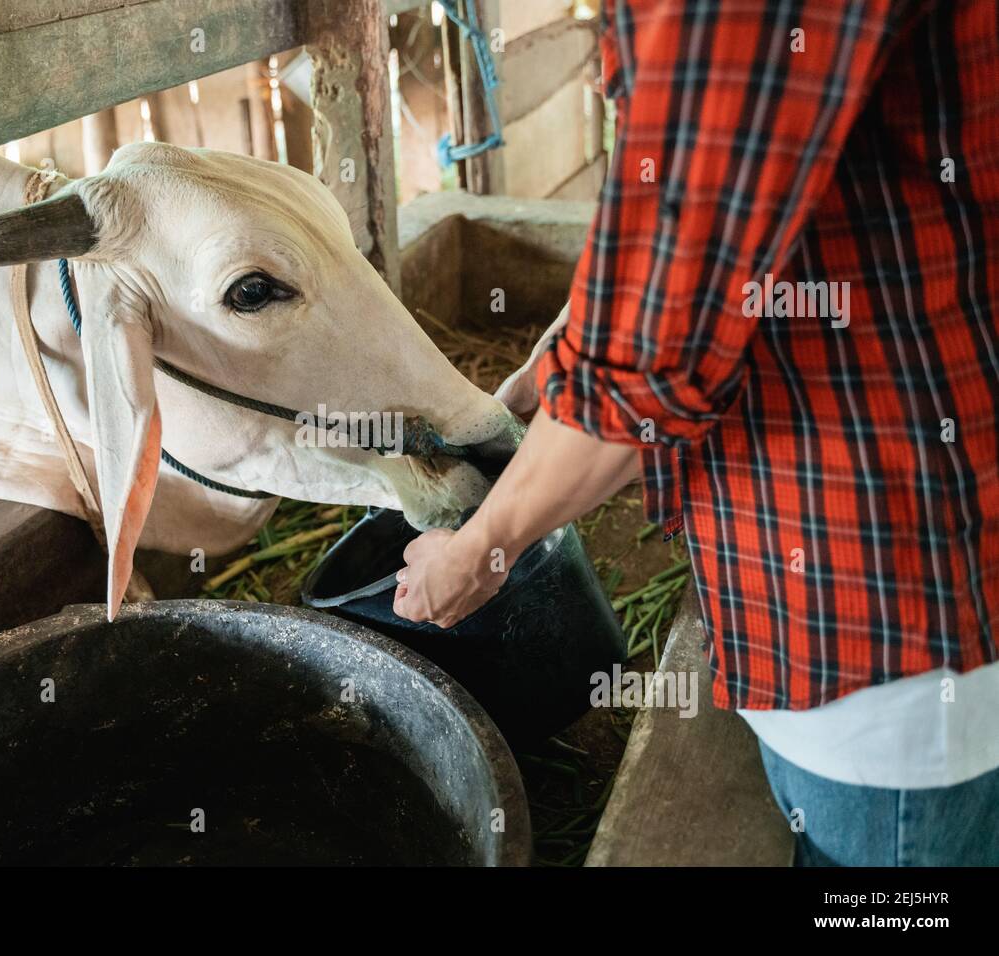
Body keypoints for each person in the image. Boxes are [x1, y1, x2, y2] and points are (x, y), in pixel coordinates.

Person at [394, 0, 999, 866]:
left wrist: (481, 550)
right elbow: (711, 206)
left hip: (885, 620)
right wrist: (575, 345)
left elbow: (655, 356)